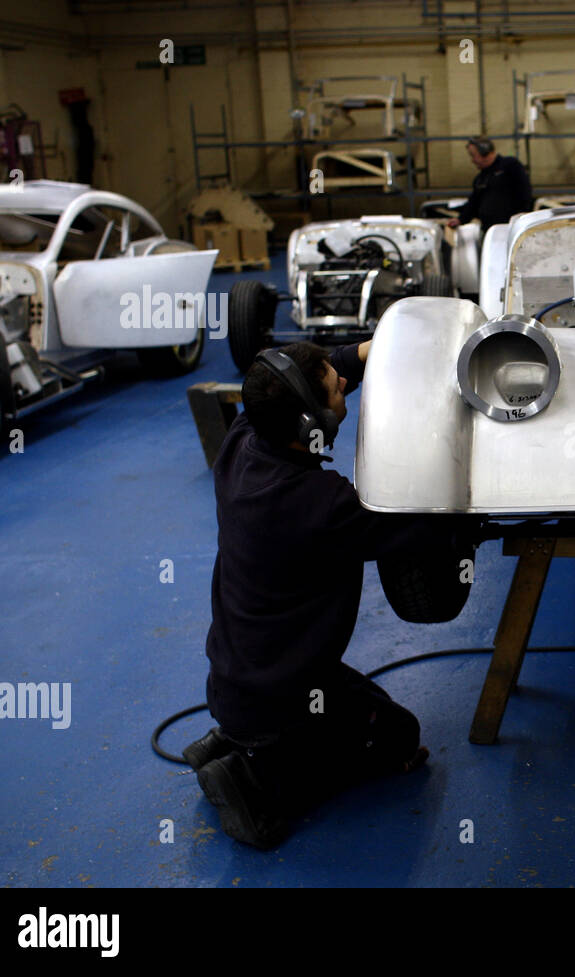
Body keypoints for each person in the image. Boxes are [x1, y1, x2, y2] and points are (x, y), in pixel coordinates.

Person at [185, 339, 442, 849]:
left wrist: (381, 345)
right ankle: (257, 780)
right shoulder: (319, 506)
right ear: (310, 426)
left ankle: (237, 740)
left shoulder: (244, 440)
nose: (343, 380)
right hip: (282, 693)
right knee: (400, 740)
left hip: (241, 677)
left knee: (360, 709)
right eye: (334, 387)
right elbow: (420, 521)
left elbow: (326, 372)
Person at [446, 137, 534, 230]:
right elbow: (473, 203)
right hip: (489, 230)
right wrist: (461, 219)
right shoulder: (480, 179)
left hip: (510, 228)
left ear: (484, 152)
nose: (473, 160)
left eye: (473, 155)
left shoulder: (510, 166)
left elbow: (525, 193)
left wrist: (521, 220)